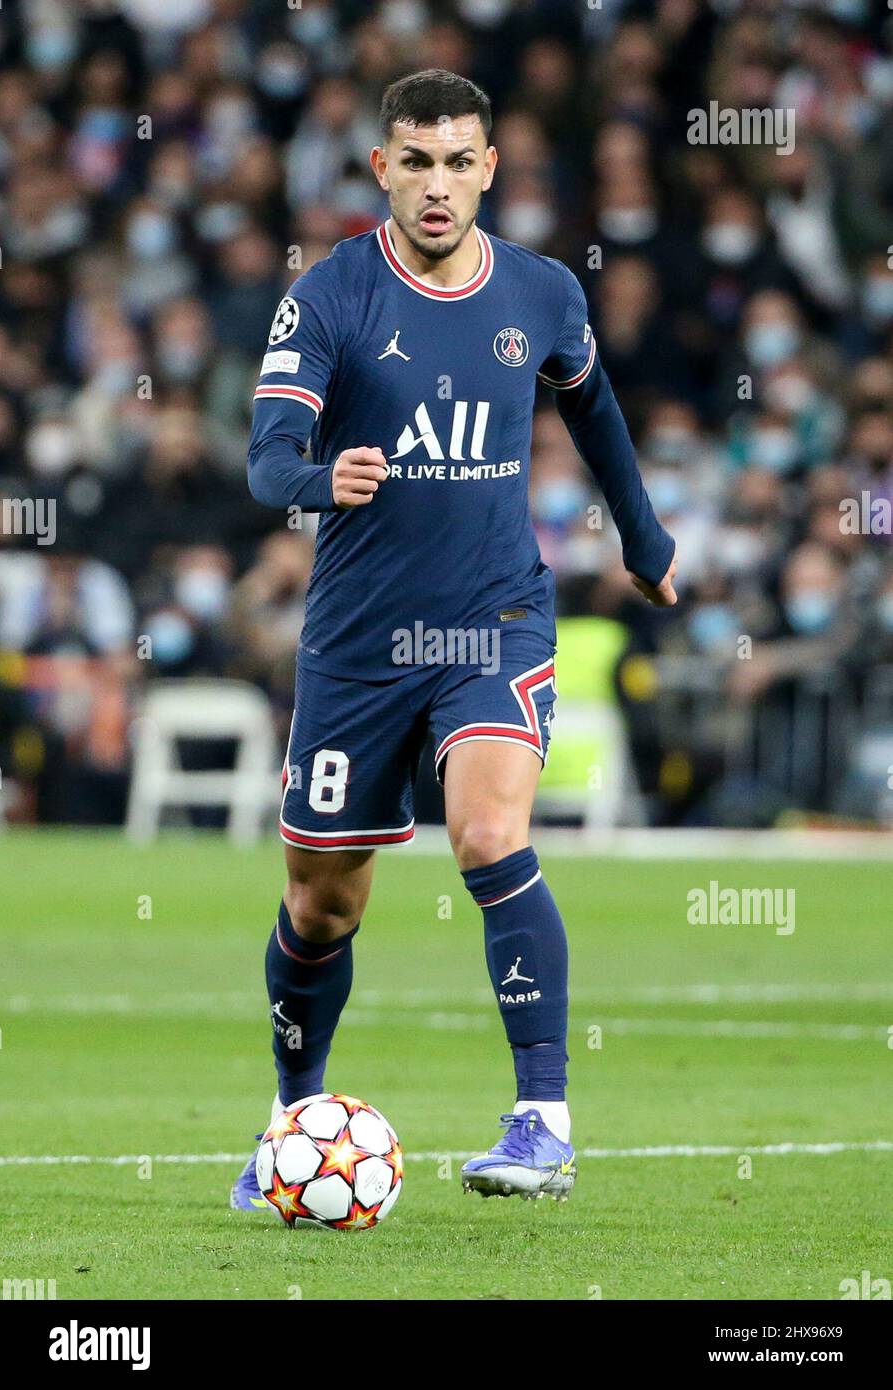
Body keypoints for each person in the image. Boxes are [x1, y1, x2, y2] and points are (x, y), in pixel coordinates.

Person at [231, 69, 677, 1215]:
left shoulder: (539, 290)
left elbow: (593, 407)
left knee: (487, 832)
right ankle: (293, 1116)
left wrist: (643, 535)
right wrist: (323, 476)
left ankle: (544, 1120)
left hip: (493, 618)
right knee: (322, 900)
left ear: (489, 168)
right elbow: (266, 456)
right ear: (382, 168)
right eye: (414, 162)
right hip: (356, 640)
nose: (437, 185)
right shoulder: (329, 294)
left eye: (458, 161)